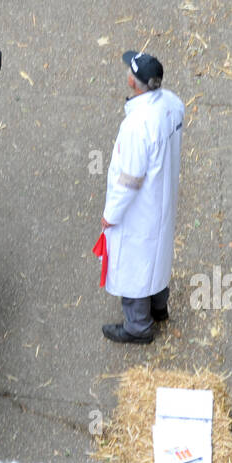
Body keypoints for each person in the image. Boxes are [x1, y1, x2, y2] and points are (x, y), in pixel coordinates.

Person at [100, 50, 185, 344]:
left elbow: (129, 180)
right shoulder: (172, 104)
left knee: (135, 264)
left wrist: (111, 214)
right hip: (162, 199)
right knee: (158, 256)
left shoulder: (137, 126)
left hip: (140, 208)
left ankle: (138, 326)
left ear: (133, 83)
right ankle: (159, 307)